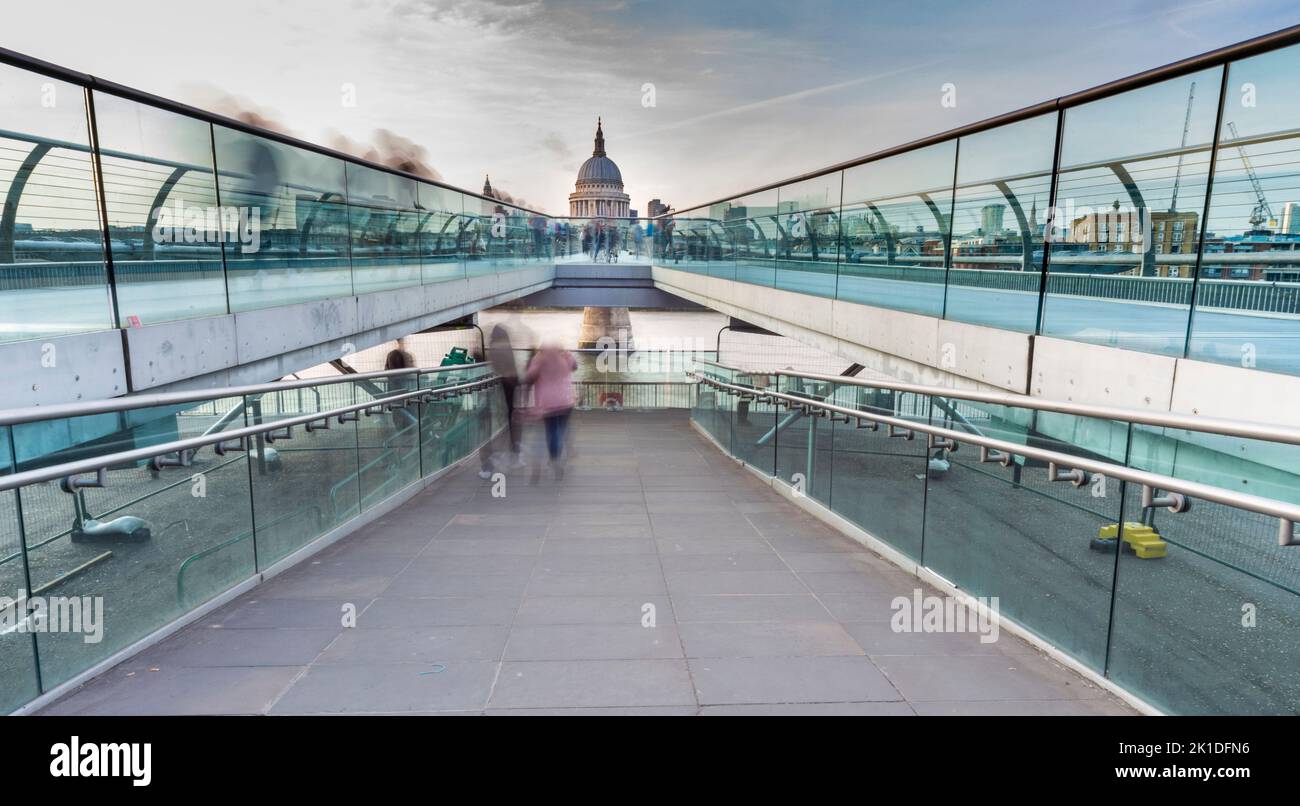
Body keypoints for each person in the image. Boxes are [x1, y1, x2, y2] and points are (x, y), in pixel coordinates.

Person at [522, 341, 577, 479]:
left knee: (552, 431)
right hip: (566, 400)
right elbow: (574, 366)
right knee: (562, 429)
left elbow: (529, 377)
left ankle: (554, 458)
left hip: (548, 403)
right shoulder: (565, 357)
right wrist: (567, 354)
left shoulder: (539, 359)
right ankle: (557, 456)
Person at [478, 325, 524, 478]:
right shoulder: (507, 346)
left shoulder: (493, 348)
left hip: (497, 384)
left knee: (489, 422)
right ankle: (515, 451)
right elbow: (512, 366)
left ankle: (488, 465)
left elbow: (494, 367)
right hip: (511, 383)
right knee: (512, 416)